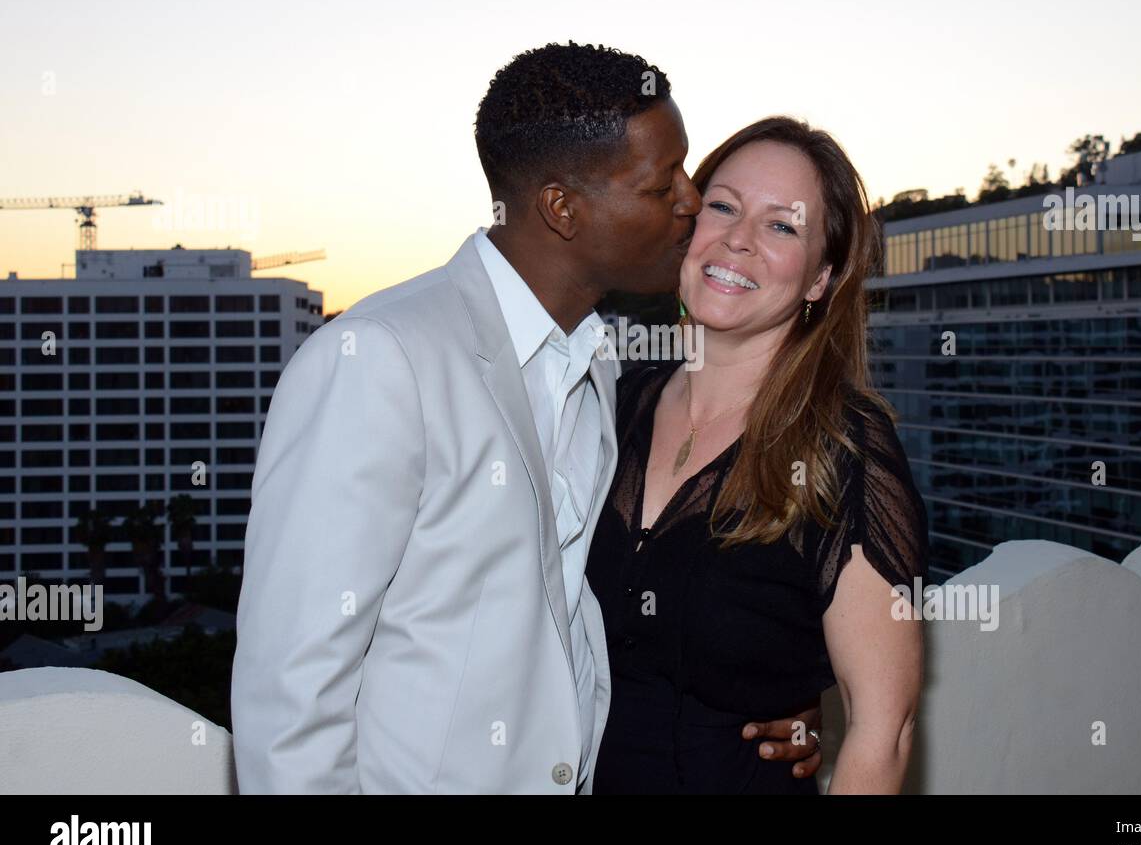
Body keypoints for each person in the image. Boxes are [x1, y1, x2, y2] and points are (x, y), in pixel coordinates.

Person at [231, 42, 823, 793]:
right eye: (660, 183)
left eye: (688, 171)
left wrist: (776, 699)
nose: (690, 200)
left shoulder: (608, 366)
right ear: (561, 207)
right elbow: (291, 699)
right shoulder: (380, 360)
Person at [587, 116, 930, 794]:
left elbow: (883, 728)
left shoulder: (845, 450)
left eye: (783, 226)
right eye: (724, 205)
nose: (739, 239)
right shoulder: (606, 402)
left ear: (819, 279)